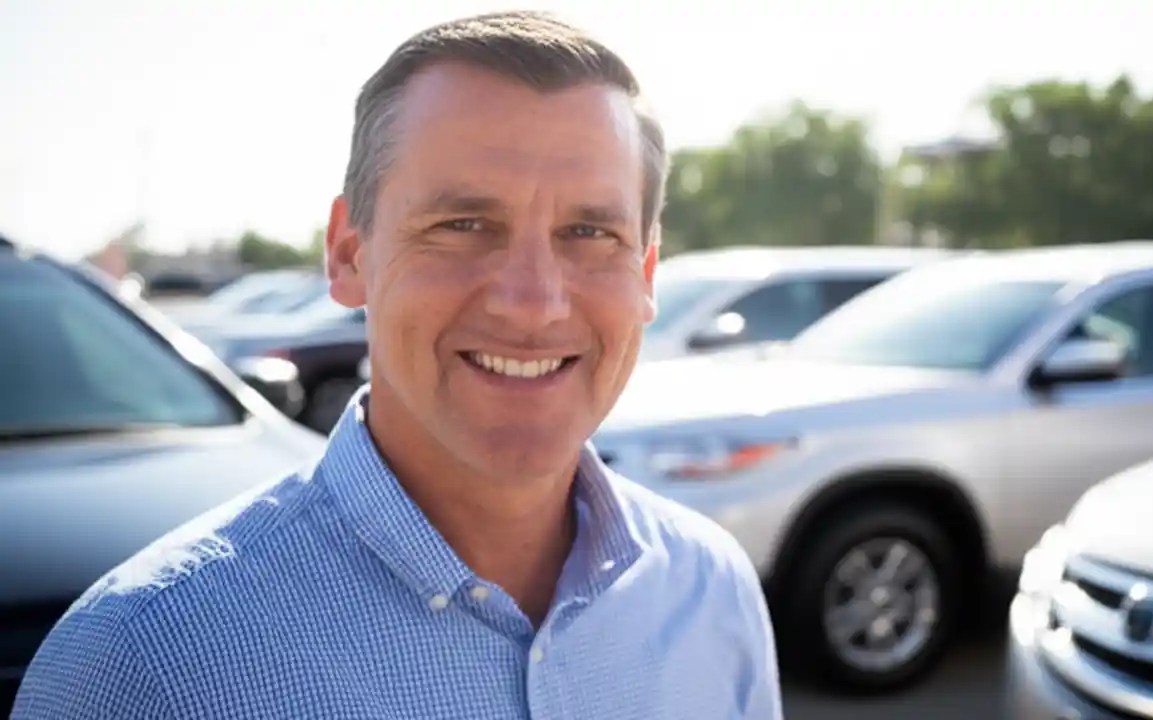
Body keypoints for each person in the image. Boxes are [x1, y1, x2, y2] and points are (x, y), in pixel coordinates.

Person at [13, 11, 782, 719]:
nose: (534, 303)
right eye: (464, 223)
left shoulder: (711, 591)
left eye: (589, 232)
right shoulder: (140, 665)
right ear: (350, 253)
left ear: (646, 275)